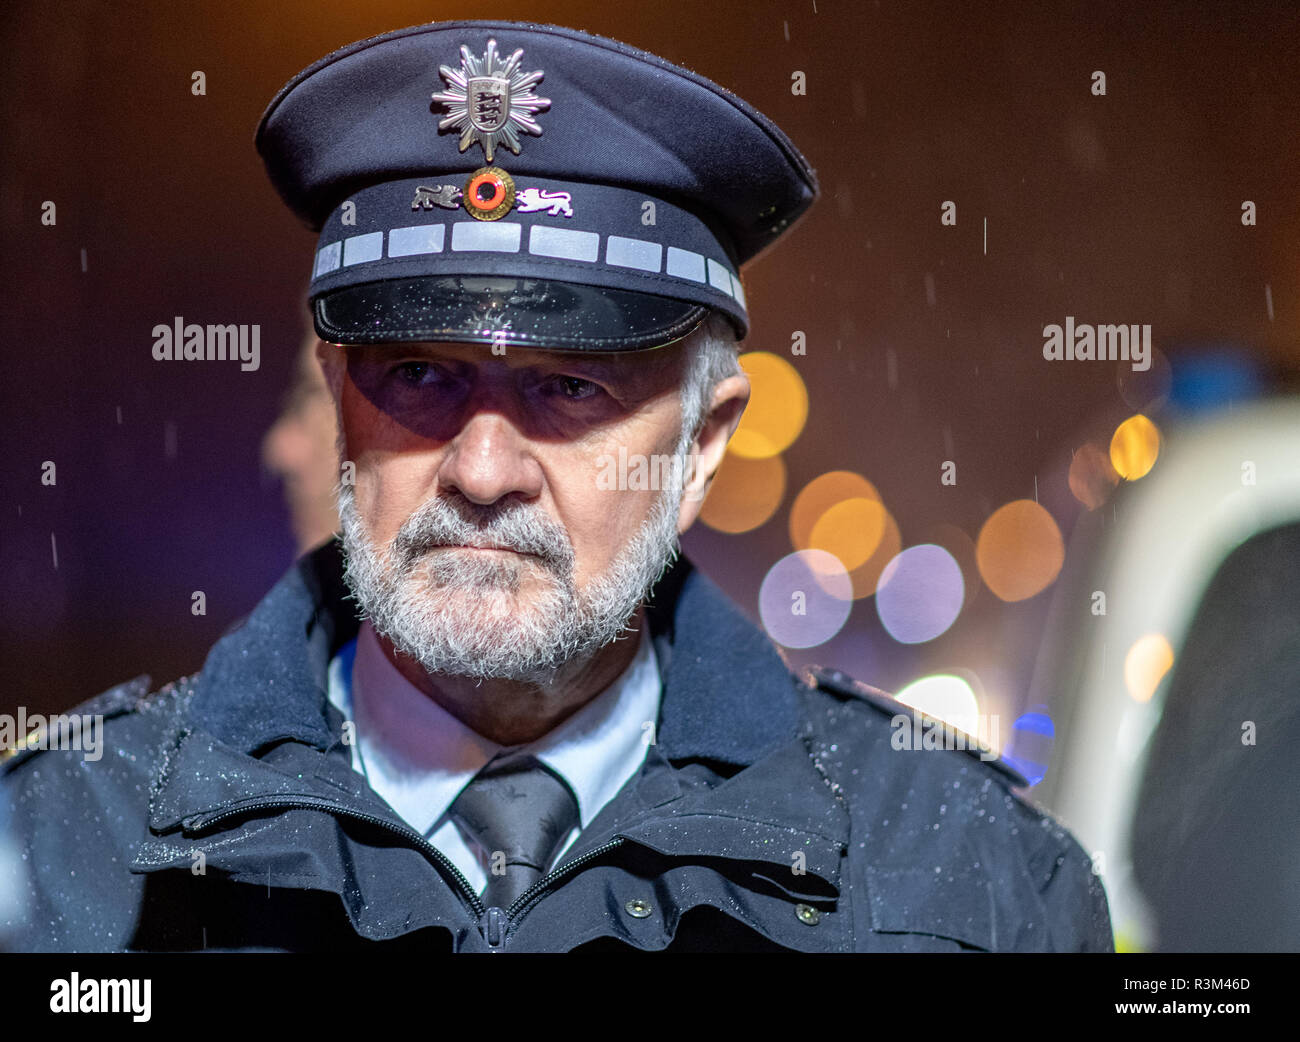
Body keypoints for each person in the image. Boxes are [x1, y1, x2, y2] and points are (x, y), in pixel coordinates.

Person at [0, 18, 1112, 952]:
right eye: (419, 374)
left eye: (572, 386)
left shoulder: (968, 885)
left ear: (705, 447)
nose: (482, 471)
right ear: (337, 400)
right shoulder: (62, 856)